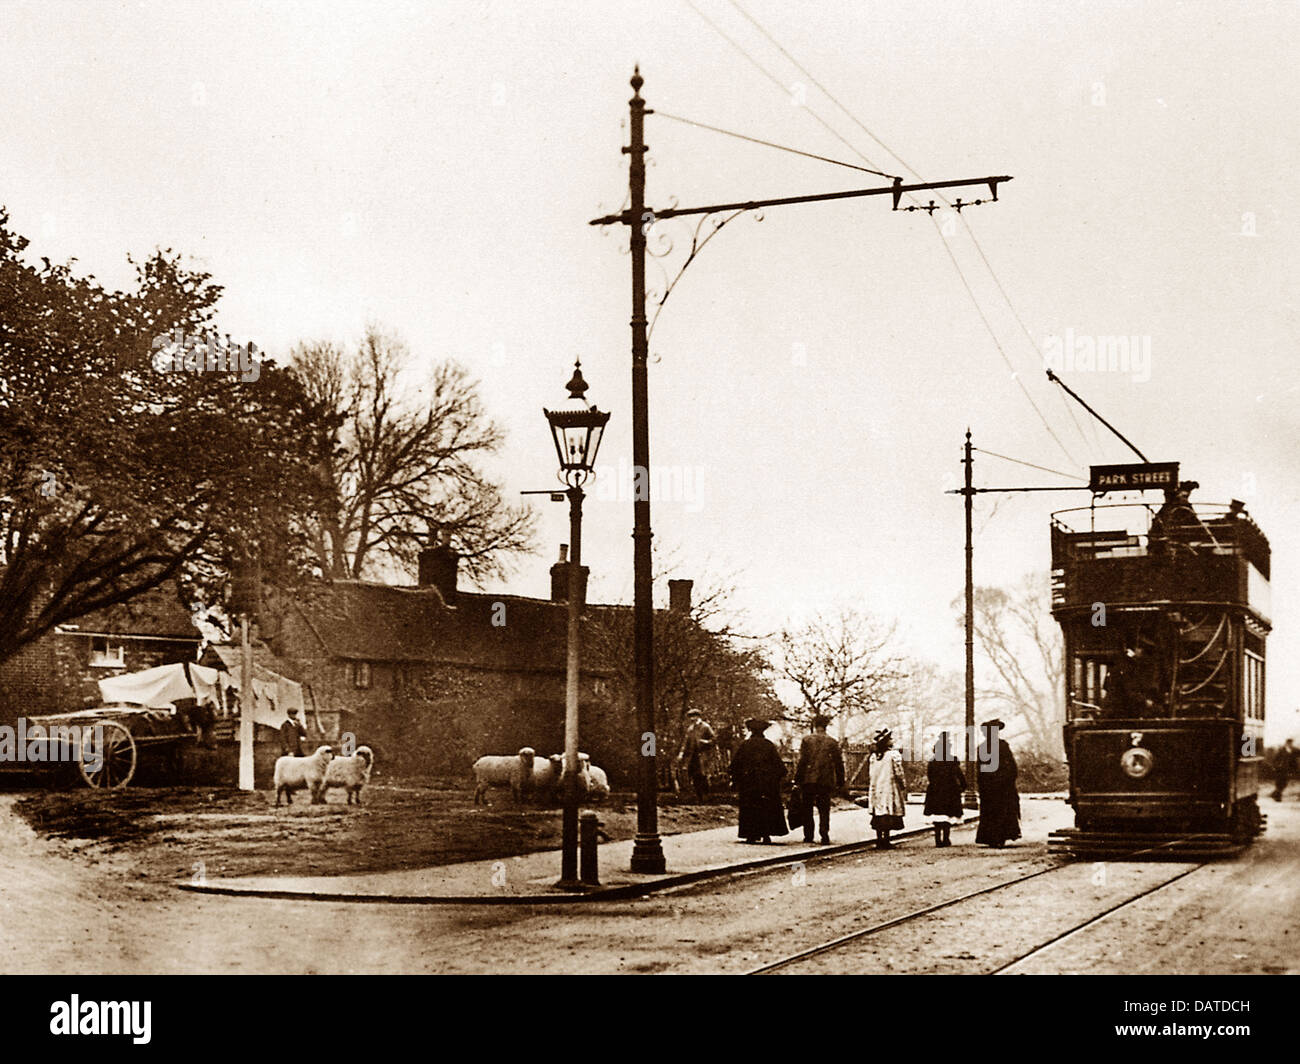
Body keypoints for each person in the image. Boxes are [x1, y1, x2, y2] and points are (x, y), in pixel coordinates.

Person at [728, 718, 788, 844]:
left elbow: (734, 766)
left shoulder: (745, 745)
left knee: (750, 807)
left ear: (750, 730)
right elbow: (780, 768)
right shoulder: (768, 745)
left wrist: (737, 778)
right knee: (766, 807)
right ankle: (766, 835)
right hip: (767, 784)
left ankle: (751, 834)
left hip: (749, 784)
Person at [794, 714, 845, 845]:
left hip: (808, 779)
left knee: (807, 807)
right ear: (825, 726)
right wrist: (840, 781)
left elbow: (802, 761)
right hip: (825, 780)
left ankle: (808, 835)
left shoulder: (806, 740)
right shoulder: (832, 742)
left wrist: (797, 779)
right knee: (824, 808)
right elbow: (838, 763)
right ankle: (824, 834)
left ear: (814, 726)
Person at [974, 719, 1021, 847]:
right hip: (1002, 785)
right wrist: (1010, 779)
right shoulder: (1002, 745)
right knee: (1003, 810)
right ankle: (1001, 836)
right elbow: (1010, 765)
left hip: (988, 786)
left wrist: (981, 785)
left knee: (990, 811)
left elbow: (979, 769)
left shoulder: (982, 747)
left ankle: (991, 837)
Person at [924, 732, 966, 848]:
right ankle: (946, 838)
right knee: (947, 815)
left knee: (937, 816)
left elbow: (930, 776)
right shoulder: (952, 760)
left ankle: (938, 839)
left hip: (936, 791)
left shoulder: (932, 762)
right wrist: (963, 786)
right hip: (950, 791)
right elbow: (959, 775)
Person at [867, 728, 907, 850]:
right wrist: (903, 784)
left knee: (878, 812)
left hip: (877, 787)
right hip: (889, 786)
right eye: (890, 739)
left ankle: (879, 839)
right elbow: (899, 772)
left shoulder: (874, 757)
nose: (892, 740)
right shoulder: (893, 755)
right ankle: (886, 839)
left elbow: (871, 774)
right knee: (888, 811)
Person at [677, 707, 716, 801]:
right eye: (690, 717)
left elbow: (714, 740)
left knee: (703, 775)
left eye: (694, 716)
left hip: (703, 755)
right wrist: (681, 753)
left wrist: (706, 742)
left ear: (698, 716)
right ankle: (699, 796)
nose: (692, 719)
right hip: (692, 756)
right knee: (694, 775)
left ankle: (706, 795)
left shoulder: (705, 727)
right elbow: (685, 743)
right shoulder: (690, 729)